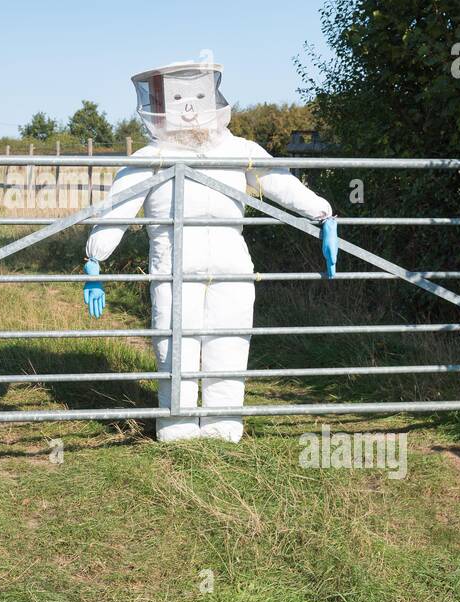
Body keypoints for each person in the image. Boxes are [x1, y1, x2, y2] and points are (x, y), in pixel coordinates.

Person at [83, 62, 333, 442]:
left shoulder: (240, 150)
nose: (188, 108)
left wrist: (323, 213)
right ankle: (177, 429)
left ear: (212, 96)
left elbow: (280, 183)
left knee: (229, 344)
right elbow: (118, 207)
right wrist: (95, 258)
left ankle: (223, 429)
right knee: (175, 347)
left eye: (197, 96)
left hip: (232, 267)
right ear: (161, 102)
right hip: (173, 268)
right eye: (179, 98)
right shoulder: (150, 157)